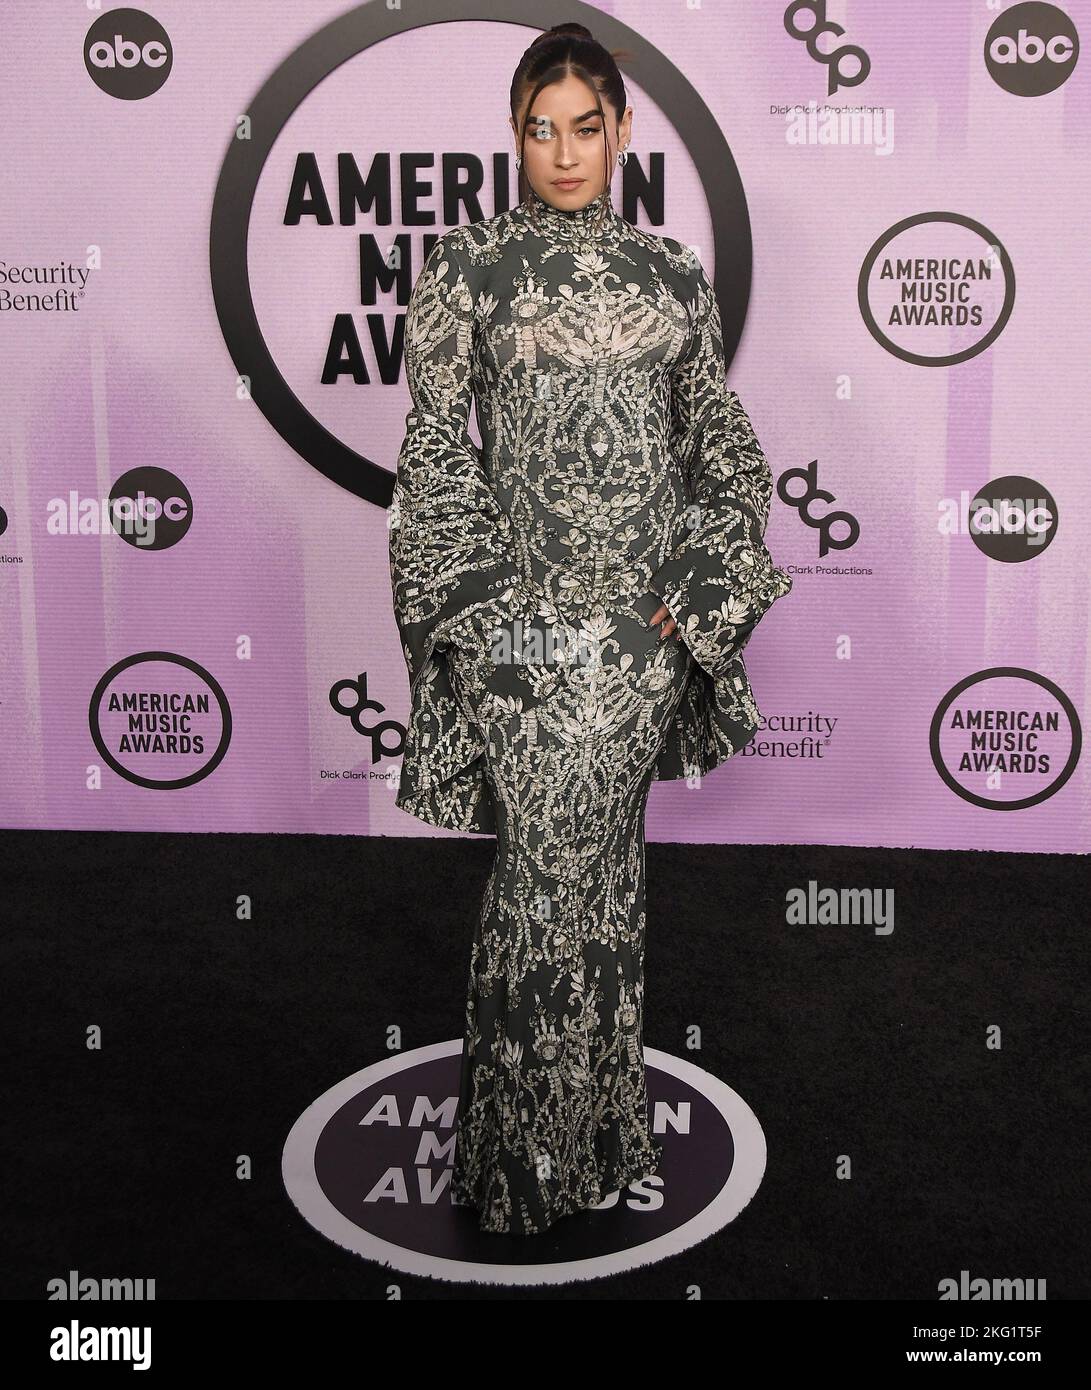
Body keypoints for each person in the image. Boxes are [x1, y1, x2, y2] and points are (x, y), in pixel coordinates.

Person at [388, 22, 792, 1235]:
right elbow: (431, 453)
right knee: (543, 873)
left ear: (621, 130)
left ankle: (602, 1137)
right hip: (518, 638)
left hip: (639, 641)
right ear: (513, 136)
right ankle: (517, 1168)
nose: (562, 152)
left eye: (583, 126)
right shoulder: (465, 266)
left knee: (606, 879)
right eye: (537, 129)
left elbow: (721, 447)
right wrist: (480, 613)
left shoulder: (672, 275)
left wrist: (698, 589)